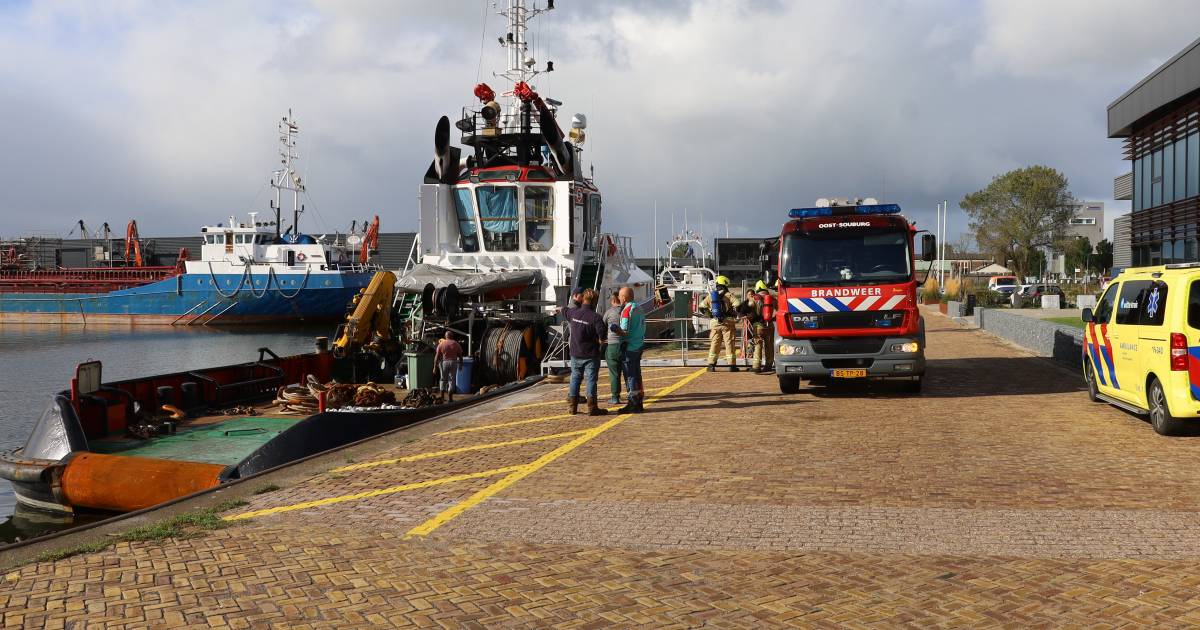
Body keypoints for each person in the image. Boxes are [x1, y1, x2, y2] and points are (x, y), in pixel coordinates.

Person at [564, 289, 609, 416]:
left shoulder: (573, 313)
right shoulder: (596, 318)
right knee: (590, 380)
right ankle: (592, 408)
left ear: (582, 299)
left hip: (575, 353)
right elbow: (602, 338)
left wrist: (574, 299)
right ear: (595, 301)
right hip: (590, 354)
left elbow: (564, 310)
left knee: (575, 378)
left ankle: (572, 408)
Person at [614, 286, 647, 413]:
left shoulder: (627, 310)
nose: (619, 298)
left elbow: (624, 331)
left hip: (629, 346)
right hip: (639, 345)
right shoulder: (639, 308)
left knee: (630, 375)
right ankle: (639, 402)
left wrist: (615, 329)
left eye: (620, 296)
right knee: (637, 374)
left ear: (624, 297)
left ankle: (632, 402)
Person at [698, 276, 739, 371]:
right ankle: (732, 366)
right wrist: (731, 313)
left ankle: (711, 365)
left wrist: (711, 315)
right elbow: (737, 304)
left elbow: (701, 307)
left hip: (715, 323)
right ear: (725, 284)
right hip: (727, 323)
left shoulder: (712, 295)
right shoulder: (728, 295)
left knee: (715, 343)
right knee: (729, 344)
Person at [602, 291, 625, 405]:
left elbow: (603, 326)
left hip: (612, 345)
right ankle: (633, 395)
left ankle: (615, 397)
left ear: (613, 301)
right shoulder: (626, 311)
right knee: (628, 372)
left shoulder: (609, 312)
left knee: (614, 373)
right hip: (626, 345)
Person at [432, 330, 463, 402]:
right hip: (453, 362)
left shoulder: (441, 344)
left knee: (443, 379)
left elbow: (436, 357)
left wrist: (434, 367)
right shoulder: (456, 344)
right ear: (452, 336)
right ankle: (450, 398)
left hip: (445, 363)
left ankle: (442, 396)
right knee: (452, 380)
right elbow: (460, 356)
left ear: (445, 336)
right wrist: (461, 364)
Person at [754, 280, 776, 373]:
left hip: (758, 326)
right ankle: (768, 365)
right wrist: (772, 319)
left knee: (758, 345)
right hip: (769, 325)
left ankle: (756, 366)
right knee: (769, 346)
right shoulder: (771, 298)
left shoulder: (754, 298)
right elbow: (778, 310)